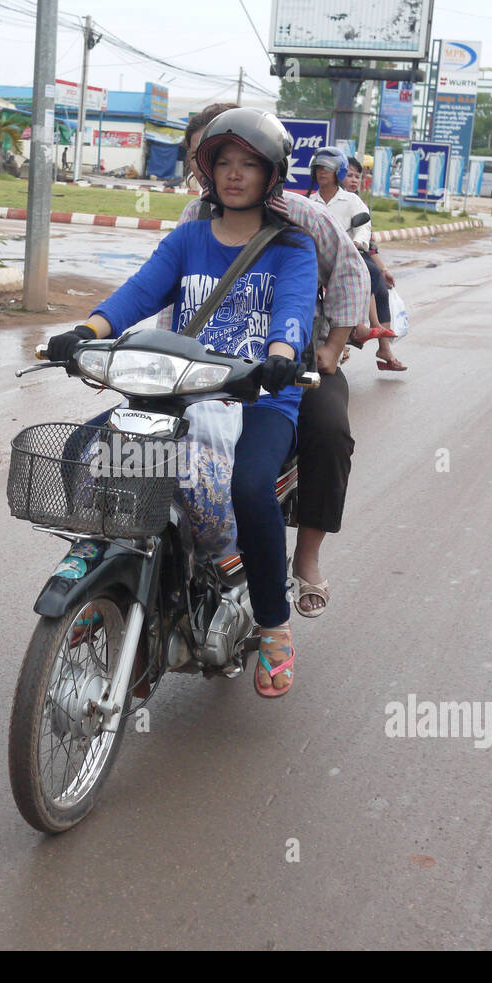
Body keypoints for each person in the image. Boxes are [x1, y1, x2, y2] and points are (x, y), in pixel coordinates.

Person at [47, 108, 319, 697]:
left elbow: (293, 311)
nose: (235, 174)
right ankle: (121, 594)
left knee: (249, 488)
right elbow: (138, 292)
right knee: (89, 452)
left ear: (271, 175)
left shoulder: (291, 247)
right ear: (207, 170)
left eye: (249, 164)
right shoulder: (190, 238)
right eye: (224, 162)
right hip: (182, 391)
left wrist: (278, 354)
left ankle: (274, 626)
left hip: (261, 399)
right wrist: (86, 332)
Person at [167, 105, 372, 621]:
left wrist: (329, 348)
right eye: (208, 157)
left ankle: (303, 560)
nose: (220, 170)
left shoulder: (305, 219)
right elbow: (172, 294)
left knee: (326, 431)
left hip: (295, 362)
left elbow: (351, 273)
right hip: (208, 365)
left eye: (247, 160)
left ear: (270, 167)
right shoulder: (193, 218)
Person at [323, 149, 406, 372]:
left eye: (356, 176)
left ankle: (383, 346)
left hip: (352, 254)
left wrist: (385, 268)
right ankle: (361, 328)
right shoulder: (318, 199)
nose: (353, 180)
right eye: (348, 175)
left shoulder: (354, 202)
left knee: (380, 283)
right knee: (367, 274)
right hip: (327, 256)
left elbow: (369, 240)